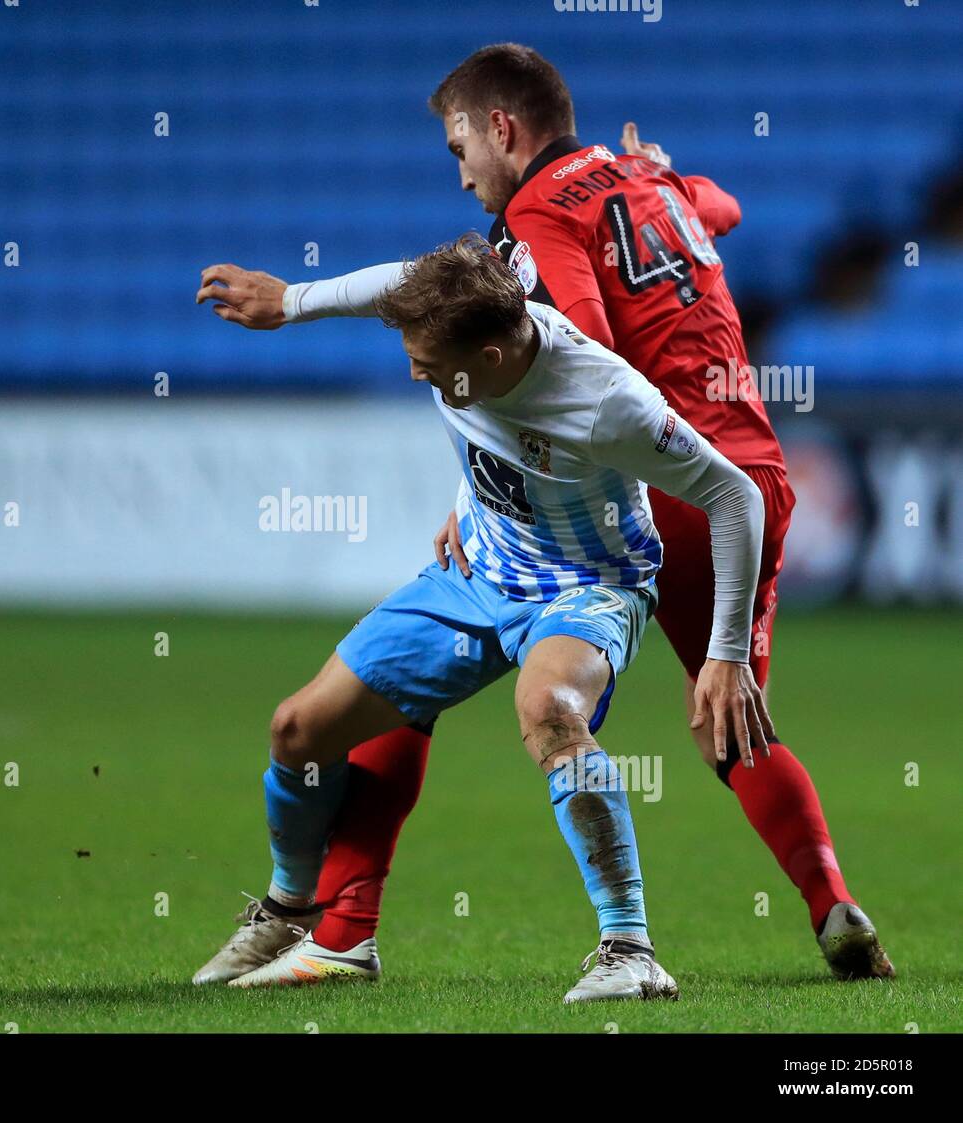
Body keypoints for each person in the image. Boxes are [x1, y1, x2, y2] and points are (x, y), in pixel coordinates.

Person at [193, 43, 892, 985]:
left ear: (503, 129)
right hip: (749, 461)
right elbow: (720, 210)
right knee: (727, 717)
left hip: (659, 479)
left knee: (476, 703)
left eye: (459, 146)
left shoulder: (538, 216)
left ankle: (362, 927)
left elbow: (575, 355)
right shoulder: (643, 183)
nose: (462, 171)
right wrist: (664, 180)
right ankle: (830, 900)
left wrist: (499, 460)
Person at [196, 236, 771, 1002]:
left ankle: (629, 948)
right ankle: (292, 911)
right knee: (297, 730)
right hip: (478, 571)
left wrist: (725, 652)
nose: (414, 372)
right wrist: (289, 303)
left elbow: (736, 495)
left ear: (496, 359)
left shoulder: (606, 401)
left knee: (549, 709)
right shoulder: (456, 306)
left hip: (588, 585)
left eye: (429, 367)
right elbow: (389, 283)